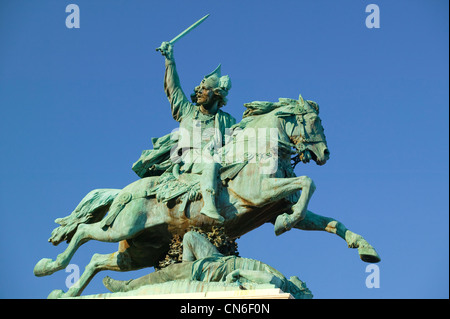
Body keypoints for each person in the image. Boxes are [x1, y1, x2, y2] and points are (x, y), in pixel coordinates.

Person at [157, 41, 236, 222]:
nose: (199, 91)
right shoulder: (187, 111)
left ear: (216, 94)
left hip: (219, 159)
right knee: (211, 163)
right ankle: (209, 206)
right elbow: (173, 89)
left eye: (204, 89)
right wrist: (170, 61)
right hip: (189, 159)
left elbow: (234, 144)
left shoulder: (227, 120)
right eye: (198, 89)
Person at [102, 231, 312, 299]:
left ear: (299, 290)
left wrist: (237, 272)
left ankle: (128, 287)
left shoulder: (281, 282)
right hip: (221, 260)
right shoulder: (281, 277)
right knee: (190, 236)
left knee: (168, 274)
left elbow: (267, 280)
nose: (300, 280)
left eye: (302, 285)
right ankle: (186, 272)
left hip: (218, 269)